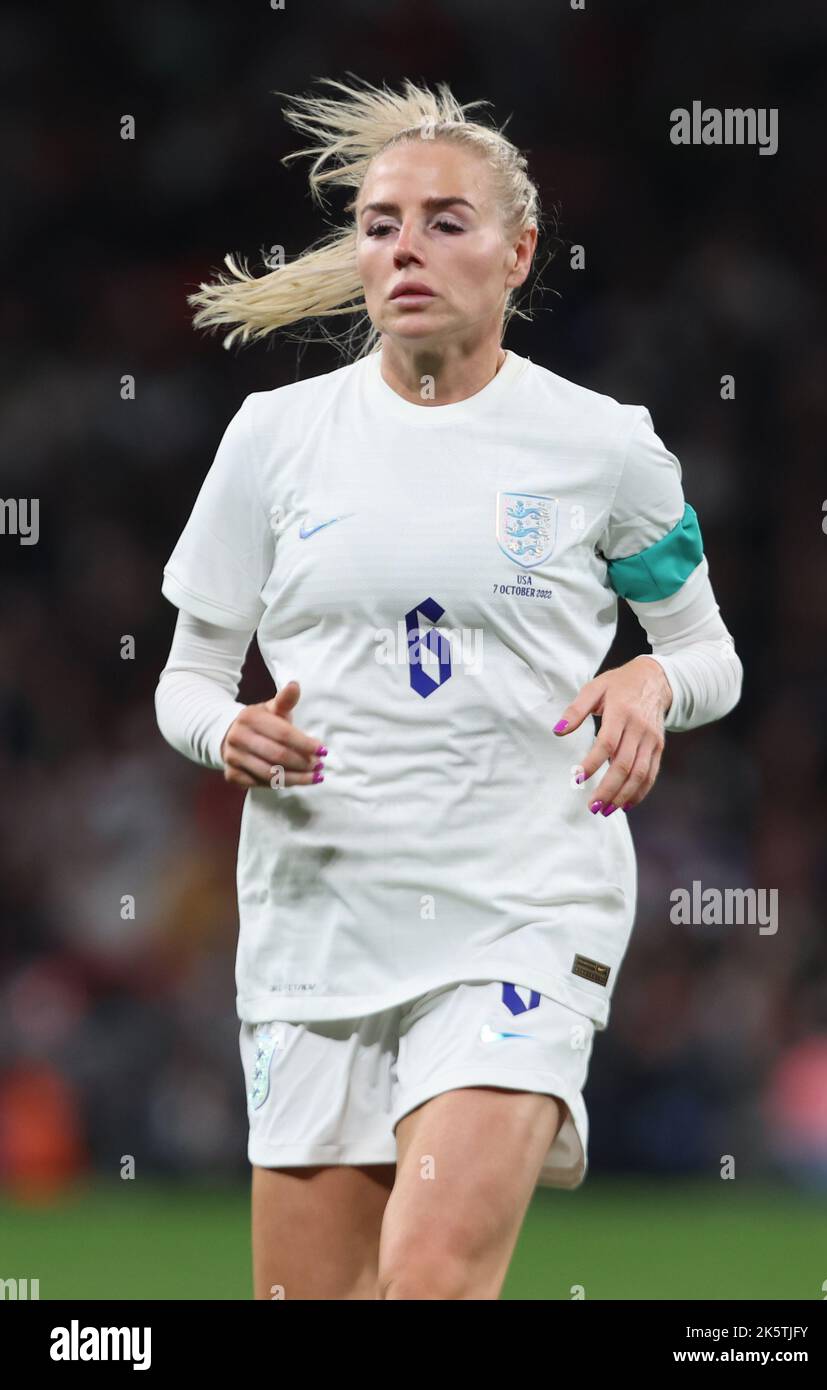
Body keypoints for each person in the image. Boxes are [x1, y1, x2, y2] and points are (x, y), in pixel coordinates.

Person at [154, 75, 742, 1300]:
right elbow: (189, 680)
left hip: (520, 908)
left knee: (428, 1280)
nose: (405, 246)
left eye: (444, 220)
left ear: (519, 252)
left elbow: (708, 655)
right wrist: (229, 733)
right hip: (319, 916)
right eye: (379, 224)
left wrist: (646, 681)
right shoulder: (274, 436)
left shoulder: (602, 445)